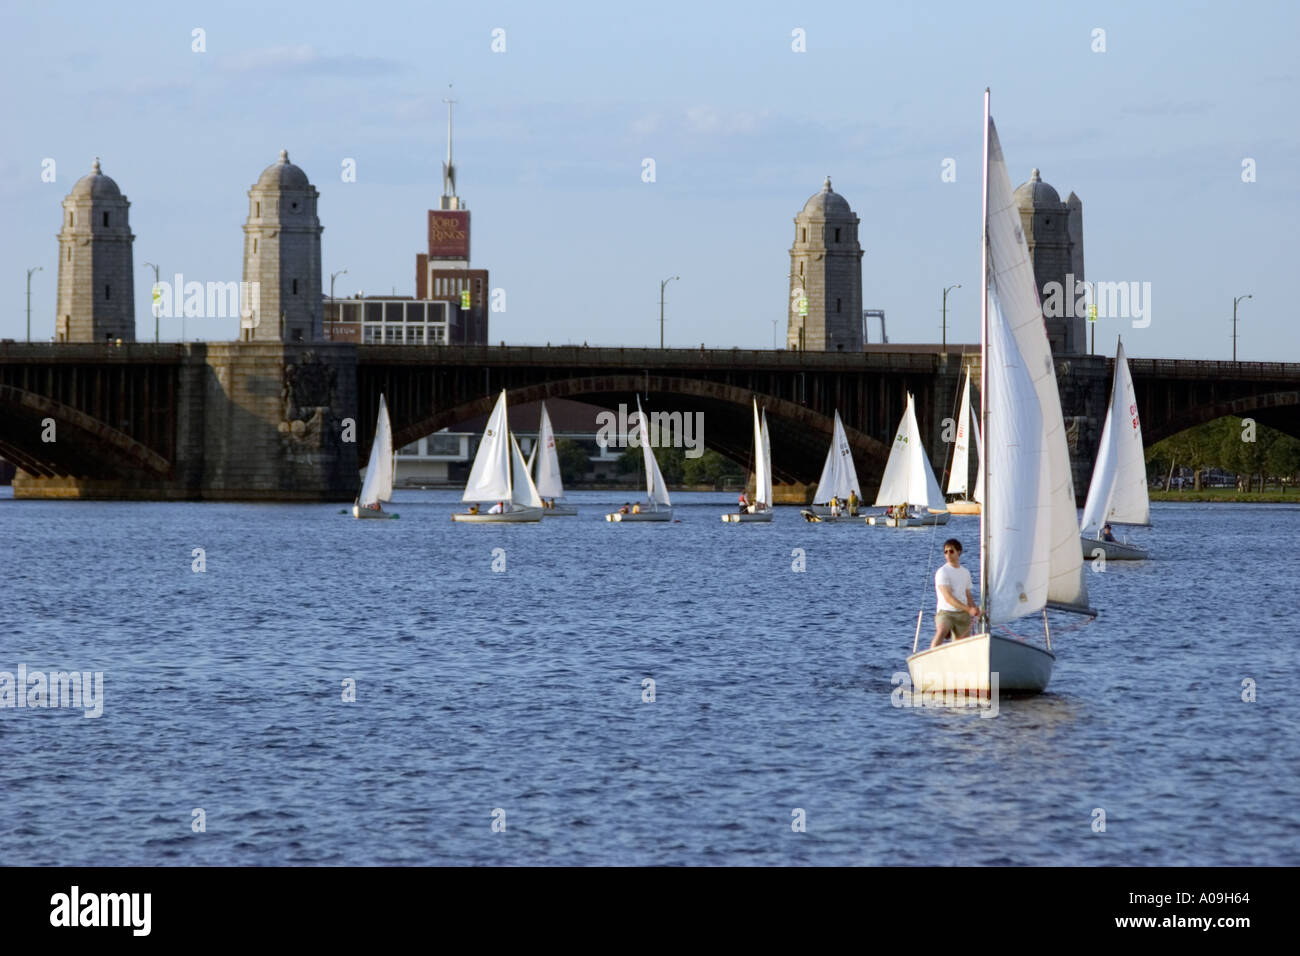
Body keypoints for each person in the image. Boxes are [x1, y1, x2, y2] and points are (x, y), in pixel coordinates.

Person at [931, 538, 979, 649]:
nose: (948, 554)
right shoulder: (942, 572)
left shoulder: (965, 572)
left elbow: (968, 595)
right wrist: (969, 609)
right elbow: (948, 597)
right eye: (945, 552)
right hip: (946, 612)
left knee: (961, 645)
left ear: (959, 552)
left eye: (951, 551)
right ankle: (932, 656)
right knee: (942, 631)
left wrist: (974, 609)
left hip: (962, 614)